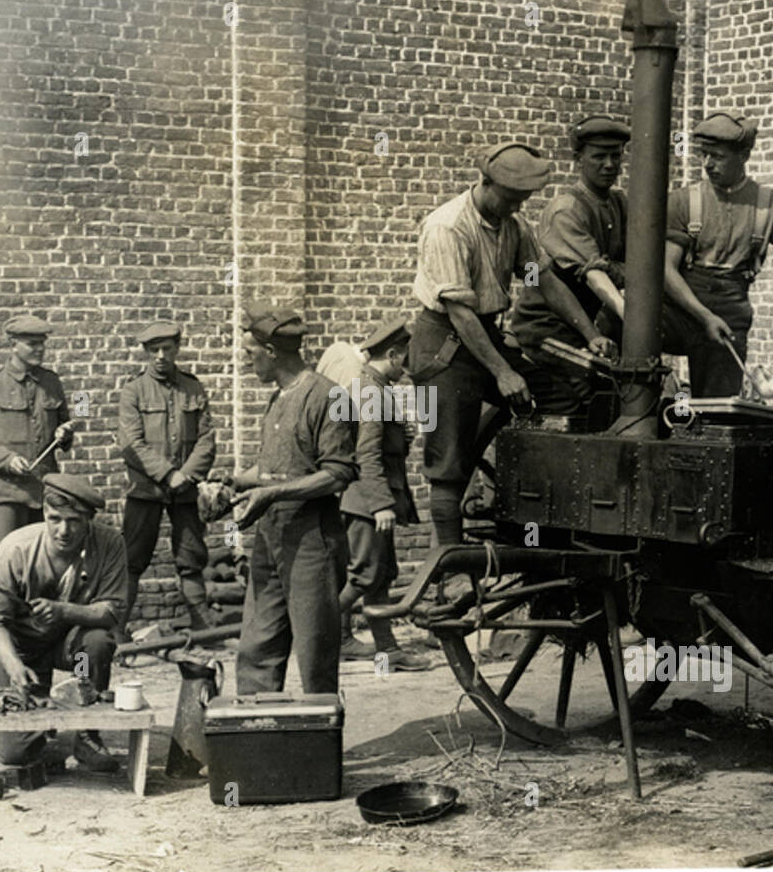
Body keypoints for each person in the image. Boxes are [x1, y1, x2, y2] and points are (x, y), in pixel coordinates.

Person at [409, 142, 612, 547]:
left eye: (525, 199)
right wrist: (503, 372)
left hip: (483, 333)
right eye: (513, 198)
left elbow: (542, 280)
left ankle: (536, 509)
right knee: (448, 461)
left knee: (557, 396)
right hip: (445, 345)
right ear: (485, 182)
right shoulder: (447, 227)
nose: (519, 207)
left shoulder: (514, 227)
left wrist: (590, 334)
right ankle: (447, 568)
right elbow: (461, 313)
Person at [231, 306, 356, 695]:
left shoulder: (329, 397)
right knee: (256, 645)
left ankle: (318, 749)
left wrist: (271, 493)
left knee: (314, 651)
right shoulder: (277, 400)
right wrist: (227, 483)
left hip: (312, 541)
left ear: (271, 352)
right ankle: (257, 742)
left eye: (249, 353)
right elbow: (273, 468)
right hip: (270, 538)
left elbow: (339, 473)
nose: (244, 361)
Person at [0, 473, 128, 772]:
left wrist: (63, 611)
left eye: (74, 520)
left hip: (71, 645)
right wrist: (13, 666)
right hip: (23, 651)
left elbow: (112, 612)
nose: (63, 530)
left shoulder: (109, 544)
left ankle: (87, 732)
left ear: (89, 520)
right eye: (54, 518)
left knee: (97, 643)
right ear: (44, 514)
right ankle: (43, 725)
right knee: (15, 753)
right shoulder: (16, 549)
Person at [661, 112, 773, 397]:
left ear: (744, 155)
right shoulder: (682, 201)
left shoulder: (772, 205)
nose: (707, 164)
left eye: (717, 157)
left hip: (730, 317)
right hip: (680, 309)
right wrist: (704, 316)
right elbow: (666, 271)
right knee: (623, 324)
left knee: (717, 410)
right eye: (704, 155)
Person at [508, 115, 629, 416]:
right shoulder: (566, 210)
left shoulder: (619, 204)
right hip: (546, 329)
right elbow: (596, 277)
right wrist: (632, 316)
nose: (609, 164)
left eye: (616, 156)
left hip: (584, 328)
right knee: (586, 396)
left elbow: (640, 266)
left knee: (621, 392)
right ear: (578, 159)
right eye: (599, 156)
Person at [330, 317, 431, 671]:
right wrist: (381, 505)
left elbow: (378, 445)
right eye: (405, 358)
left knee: (379, 576)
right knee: (365, 576)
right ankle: (319, 634)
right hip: (367, 502)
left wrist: (401, 437)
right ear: (391, 354)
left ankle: (387, 650)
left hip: (365, 499)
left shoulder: (370, 387)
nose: (408, 367)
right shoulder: (371, 391)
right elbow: (366, 454)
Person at [117, 320, 216, 636]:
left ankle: (201, 627)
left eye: (167, 349)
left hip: (185, 489)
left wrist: (186, 475)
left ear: (177, 349)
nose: (160, 356)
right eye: (154, 350)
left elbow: (206, 438)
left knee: (191, 556)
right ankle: (115, 632)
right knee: (132, 559)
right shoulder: (134, 390)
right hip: (145, 488)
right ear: (146, 352)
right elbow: (131, 444)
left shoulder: (193, 387)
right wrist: (167, 473)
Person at [0, 315, 75, 552]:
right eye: (32, 343)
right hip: (7, 493)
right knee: (8, 562)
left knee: (46, 560)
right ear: (13, 345)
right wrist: (8, 460)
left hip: (45, 491)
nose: (40, 349)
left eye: (42, 343)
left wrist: (64, 434)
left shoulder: (51, 382)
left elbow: (64, 428)